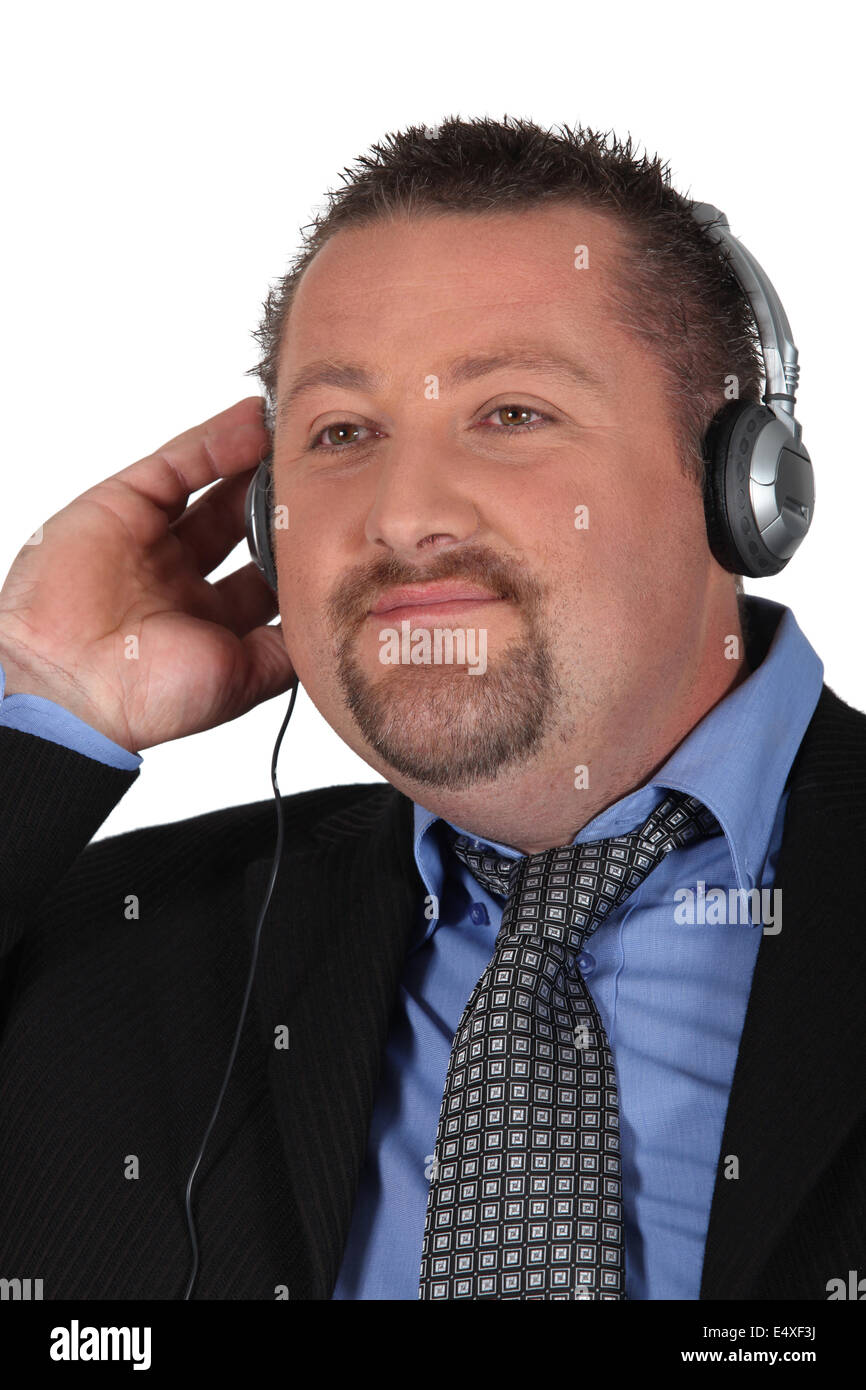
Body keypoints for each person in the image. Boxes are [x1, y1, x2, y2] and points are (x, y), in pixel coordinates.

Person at [0, 117, 863, 1302]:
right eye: (342, 433)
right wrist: (44, 704)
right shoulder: (111, 947)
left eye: (509, 413)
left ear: (741, 488)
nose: (402, 516)